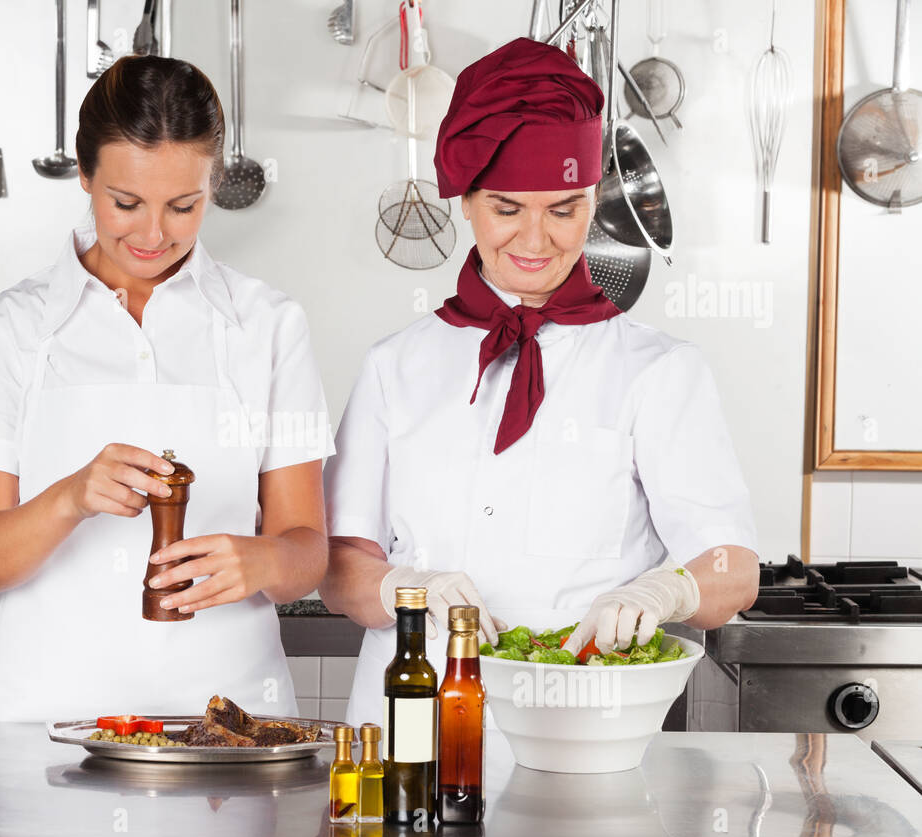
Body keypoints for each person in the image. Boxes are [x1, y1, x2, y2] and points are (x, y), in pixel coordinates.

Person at [319, 38, 760, 729]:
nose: (536, 239)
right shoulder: (393, 366)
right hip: (414, 721)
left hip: (590, 725)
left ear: (594, 200)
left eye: (564, 209)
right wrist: (409, 588)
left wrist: (662, 593)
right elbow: (342, 569)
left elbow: (734, 568)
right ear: (465, 200)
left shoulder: (660, 370)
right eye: (506, 208)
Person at [0, 56, 334, 722]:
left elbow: (308, 551)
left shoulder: (268, 325)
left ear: (211, 183)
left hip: (227, 727)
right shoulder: (12, 328)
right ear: (84, 176)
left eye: (183, 206)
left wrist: (264, 559)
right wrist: (71, 497)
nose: (154, 235)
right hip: (47, 727)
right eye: (125, 204)